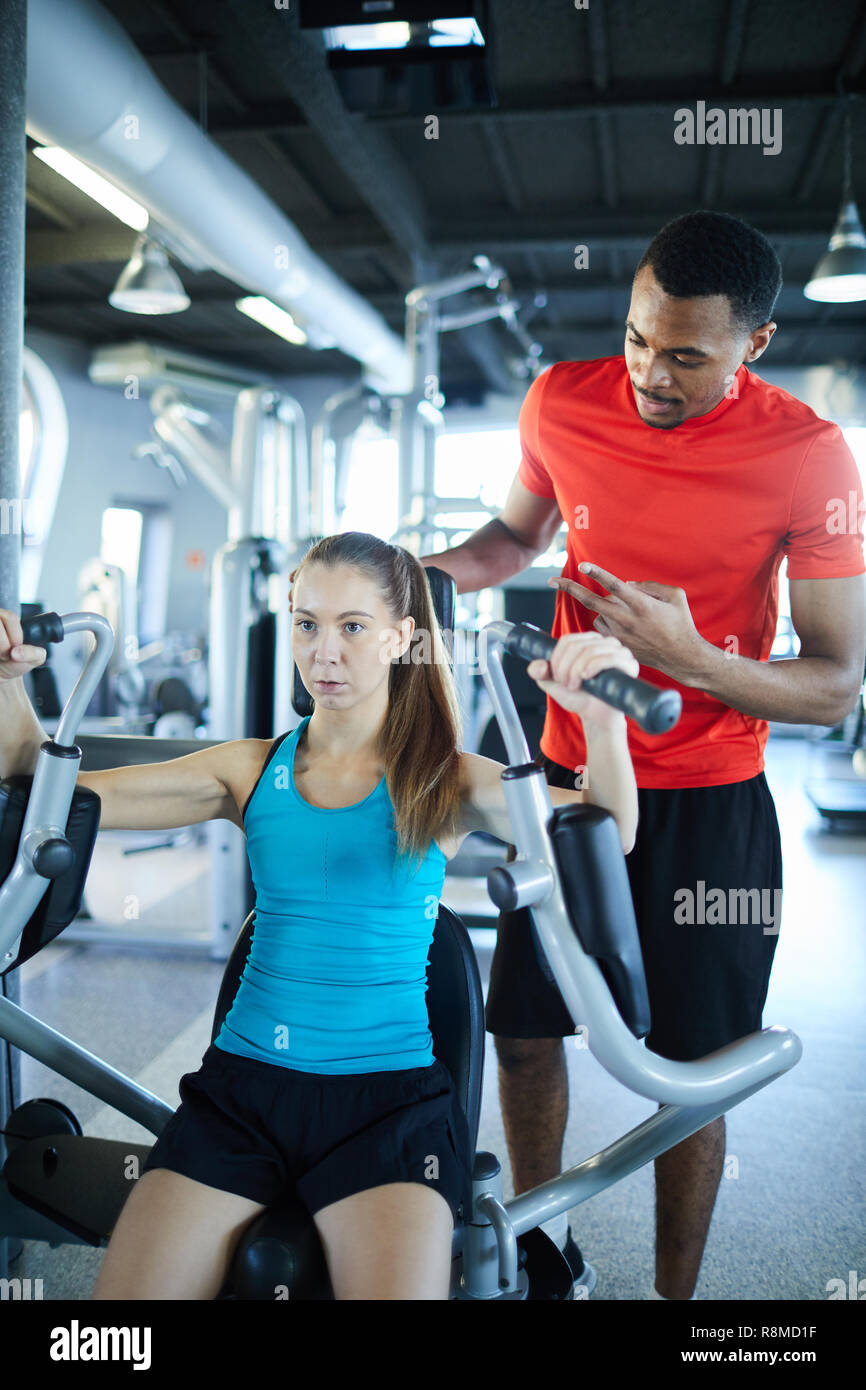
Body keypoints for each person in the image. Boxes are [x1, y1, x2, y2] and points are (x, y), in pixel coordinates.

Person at [0, 530, 639, 1301]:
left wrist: (602, 725)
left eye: (352, 627)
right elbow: (43, 784)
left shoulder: (443, 779)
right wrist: (8, 681)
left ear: (404, 638)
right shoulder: (250, 769)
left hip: (389, 1106)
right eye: (306, 623)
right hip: (241, 1097)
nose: (323, 651)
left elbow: (608, 829)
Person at [419, 209, 866, 1300]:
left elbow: (834, 681)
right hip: (568, 790)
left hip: (709, 801)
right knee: (522, 1034)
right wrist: (398, 571)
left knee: (693, 1083)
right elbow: (512, 541)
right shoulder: (560, 401)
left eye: (683, 356)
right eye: (634, 338)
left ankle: (674, 1303)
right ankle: (544, 1258)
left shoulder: (807, 455)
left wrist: (685, 654)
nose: (647, 375)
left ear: (750, 344)